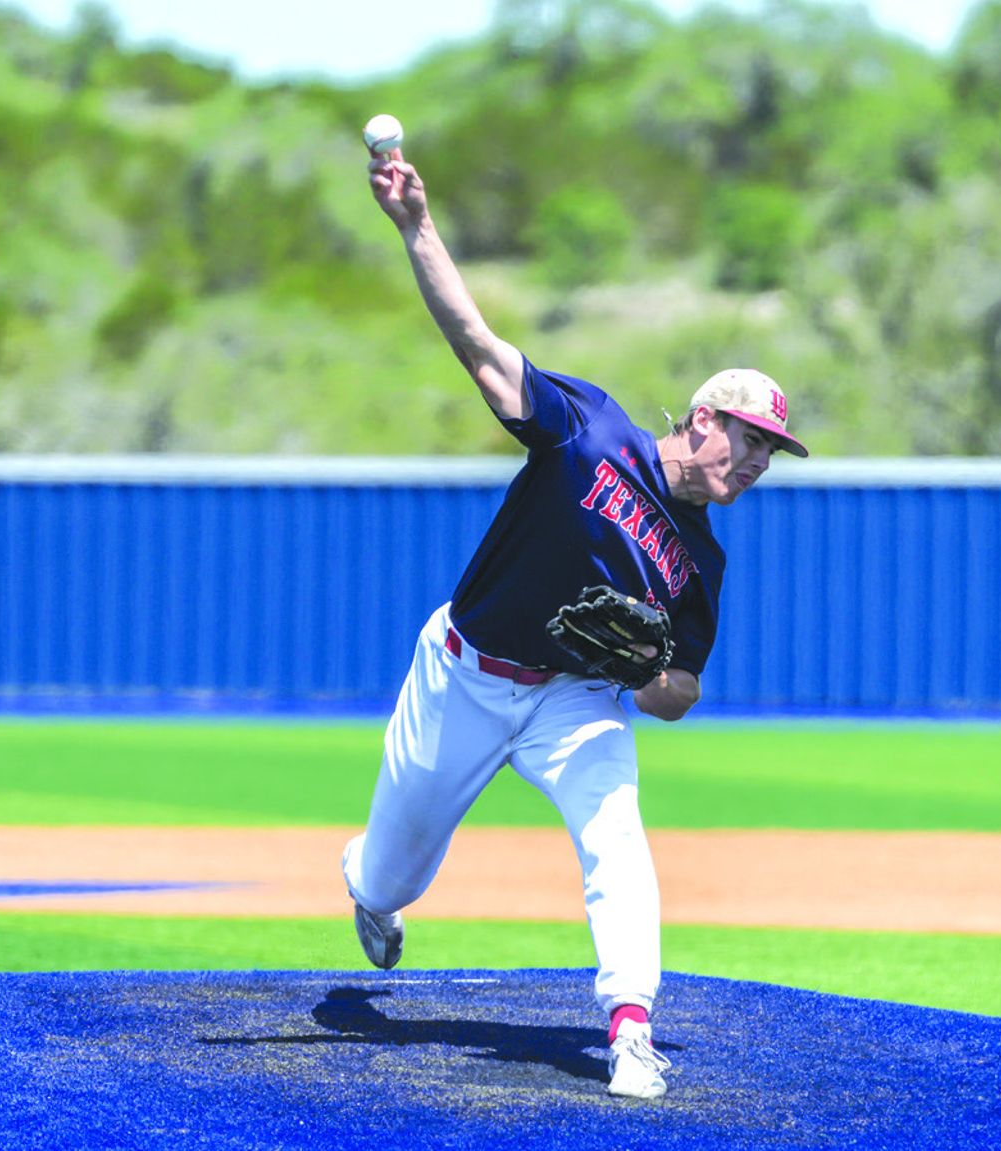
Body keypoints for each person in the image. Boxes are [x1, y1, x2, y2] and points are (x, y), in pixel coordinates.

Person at [341, 136, 809, 1100]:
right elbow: (477, 345)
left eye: (773, 453)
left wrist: (645, 674)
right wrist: (417, 227)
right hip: (465, 671)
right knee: (391, 880)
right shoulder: (591, 432)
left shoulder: (704, 558)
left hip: (577, 699)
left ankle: (630, 1027)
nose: (759, 463)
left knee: (618, 836)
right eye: (753, 441)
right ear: (703, 420)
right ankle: (367, 883)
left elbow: (681, 692)